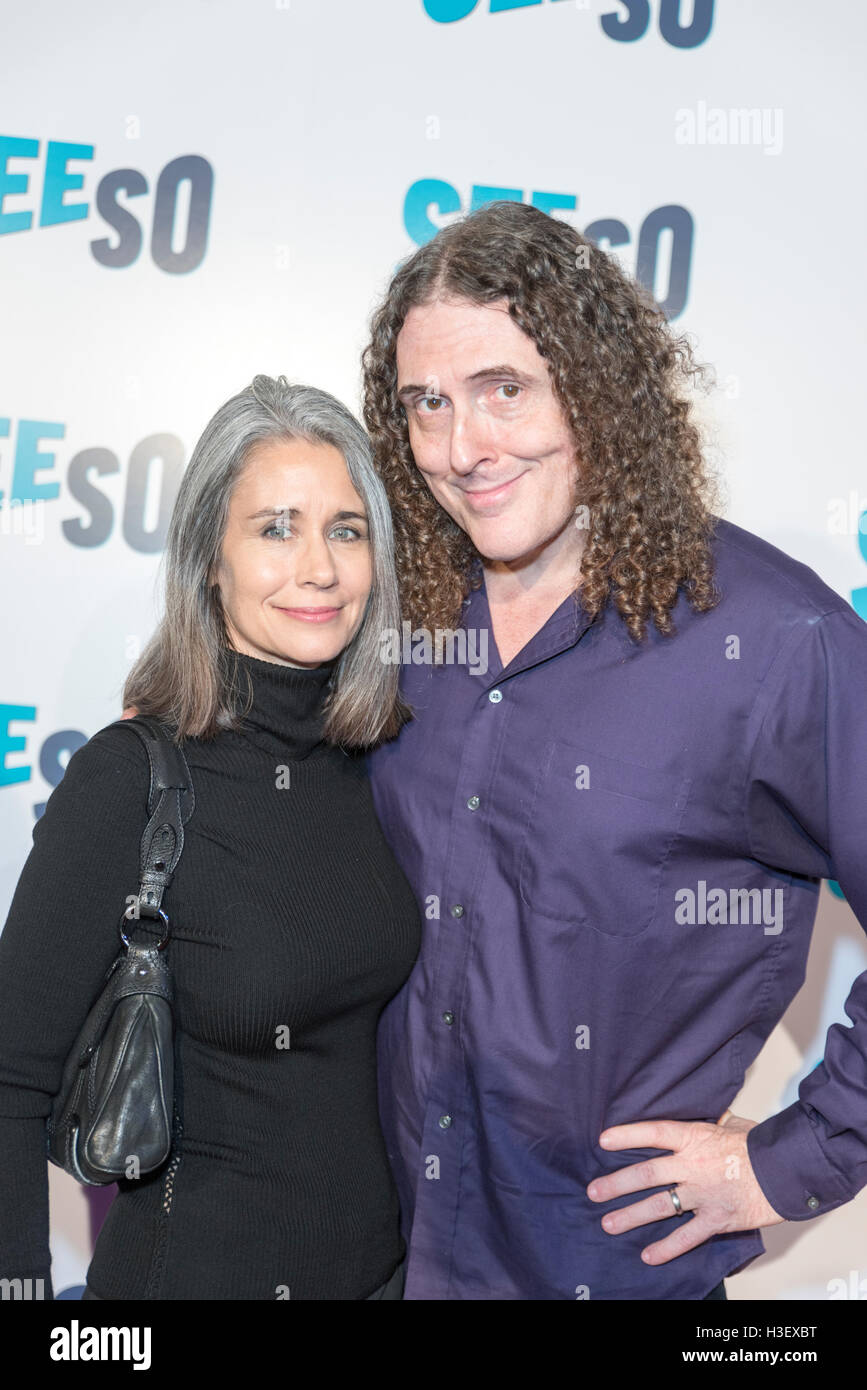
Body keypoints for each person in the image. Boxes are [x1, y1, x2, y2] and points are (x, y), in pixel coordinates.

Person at [359, 200, 867, 1300]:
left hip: (607, 1271)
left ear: (598, 386)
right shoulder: (396, 619)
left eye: (504, 390)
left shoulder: (778, 641)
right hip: (384, 1255)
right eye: (426, 405)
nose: (463, 449)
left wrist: (788, 1163)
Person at [0, 375, 422, 1300]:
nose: (318, 567)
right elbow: (9, 1078)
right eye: (275, 527)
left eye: (345, 531)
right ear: (208, 560)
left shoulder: (373, 762)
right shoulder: (133, 779)